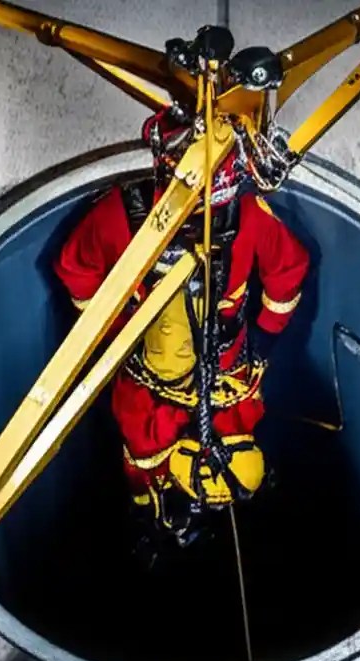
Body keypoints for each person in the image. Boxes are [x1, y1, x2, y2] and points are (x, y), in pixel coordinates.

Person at [55, 105, 309, 550]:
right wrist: (117, 333)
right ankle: (150, 514)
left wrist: (265, 336)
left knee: (205, 455)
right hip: (173, 380)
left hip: (205, 378)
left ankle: (183, 508)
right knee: (146, 457)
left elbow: (288, 270)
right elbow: (78, 271)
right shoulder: (130, 215)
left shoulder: (237, 217)